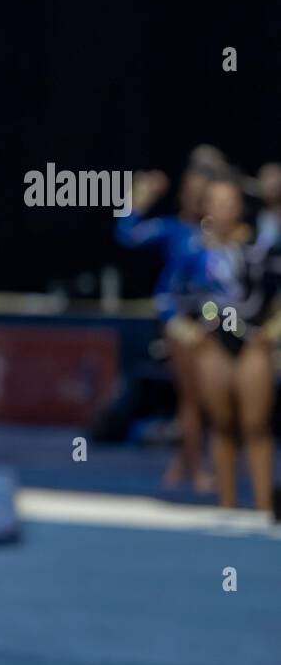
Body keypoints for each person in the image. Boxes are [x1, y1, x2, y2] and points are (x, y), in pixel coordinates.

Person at [178, 175, 281, 518]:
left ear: (240, 207)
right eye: (217, 202)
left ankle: (265, 508)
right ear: (206, 207)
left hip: (252, 340)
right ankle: (227, 509)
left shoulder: (259, 247)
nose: (224, 209)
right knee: (221, 424)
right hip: (213, 342)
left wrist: (272, 330)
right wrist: (186, 330)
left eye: (230, 202)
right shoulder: (192, 249)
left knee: (256, 425)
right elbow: (168, 295)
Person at [116, 163, 214, 493]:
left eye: (204, 193)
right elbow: (127, 234)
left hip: (215, 320)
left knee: (206, 397)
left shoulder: (224, 235)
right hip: (178, 320)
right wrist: (138, 196)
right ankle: (196, 466)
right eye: (192, 192)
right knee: (191, 396)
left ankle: (182, 463)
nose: (198, 199)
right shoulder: (173, 229)